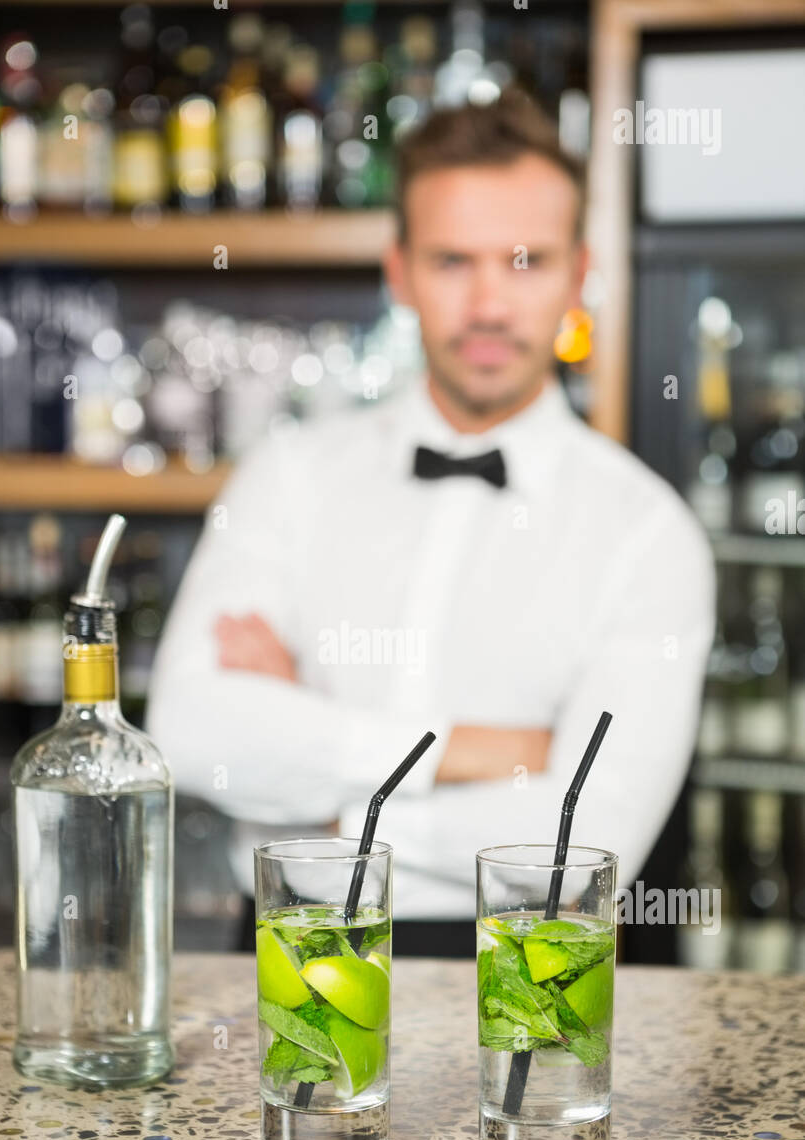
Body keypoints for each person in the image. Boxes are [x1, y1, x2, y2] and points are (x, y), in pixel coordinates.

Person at [147, 90, 715, 954]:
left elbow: (587, 849)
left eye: (525, 262)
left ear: (578, 272)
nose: (489, 305)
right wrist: (462, 752)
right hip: (284, 956)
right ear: (400, 272)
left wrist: (328, 800)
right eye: (454, 261)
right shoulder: (289, 474)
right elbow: (187, 732)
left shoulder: (648, 532)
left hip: (528, 981)